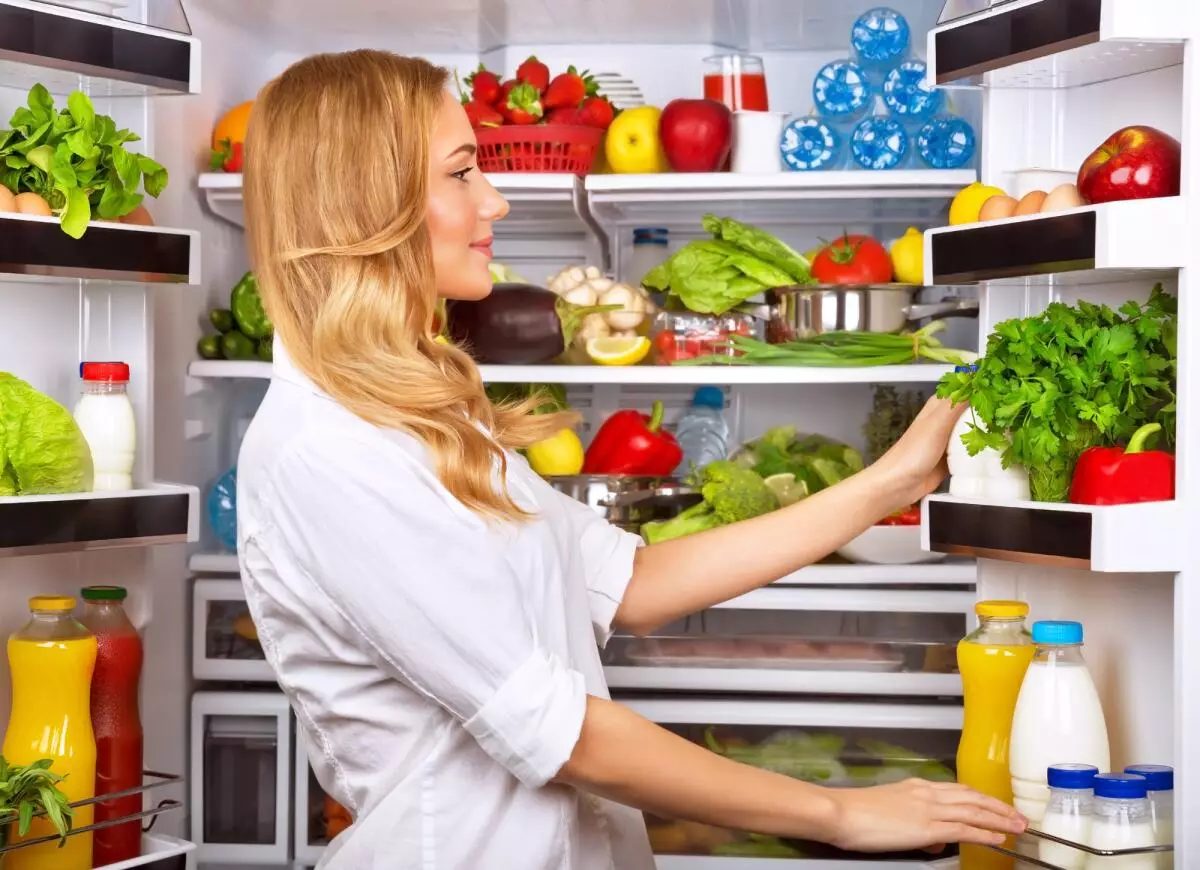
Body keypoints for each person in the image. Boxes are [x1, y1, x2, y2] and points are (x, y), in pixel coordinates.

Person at [236, 49, 1025, 870]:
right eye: (463, 173)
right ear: (370, 201)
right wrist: (838, 814)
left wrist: (891, 480)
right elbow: (563, 734)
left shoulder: (421, 417)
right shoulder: (326, 454)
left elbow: (637, 583)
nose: (494, 200)